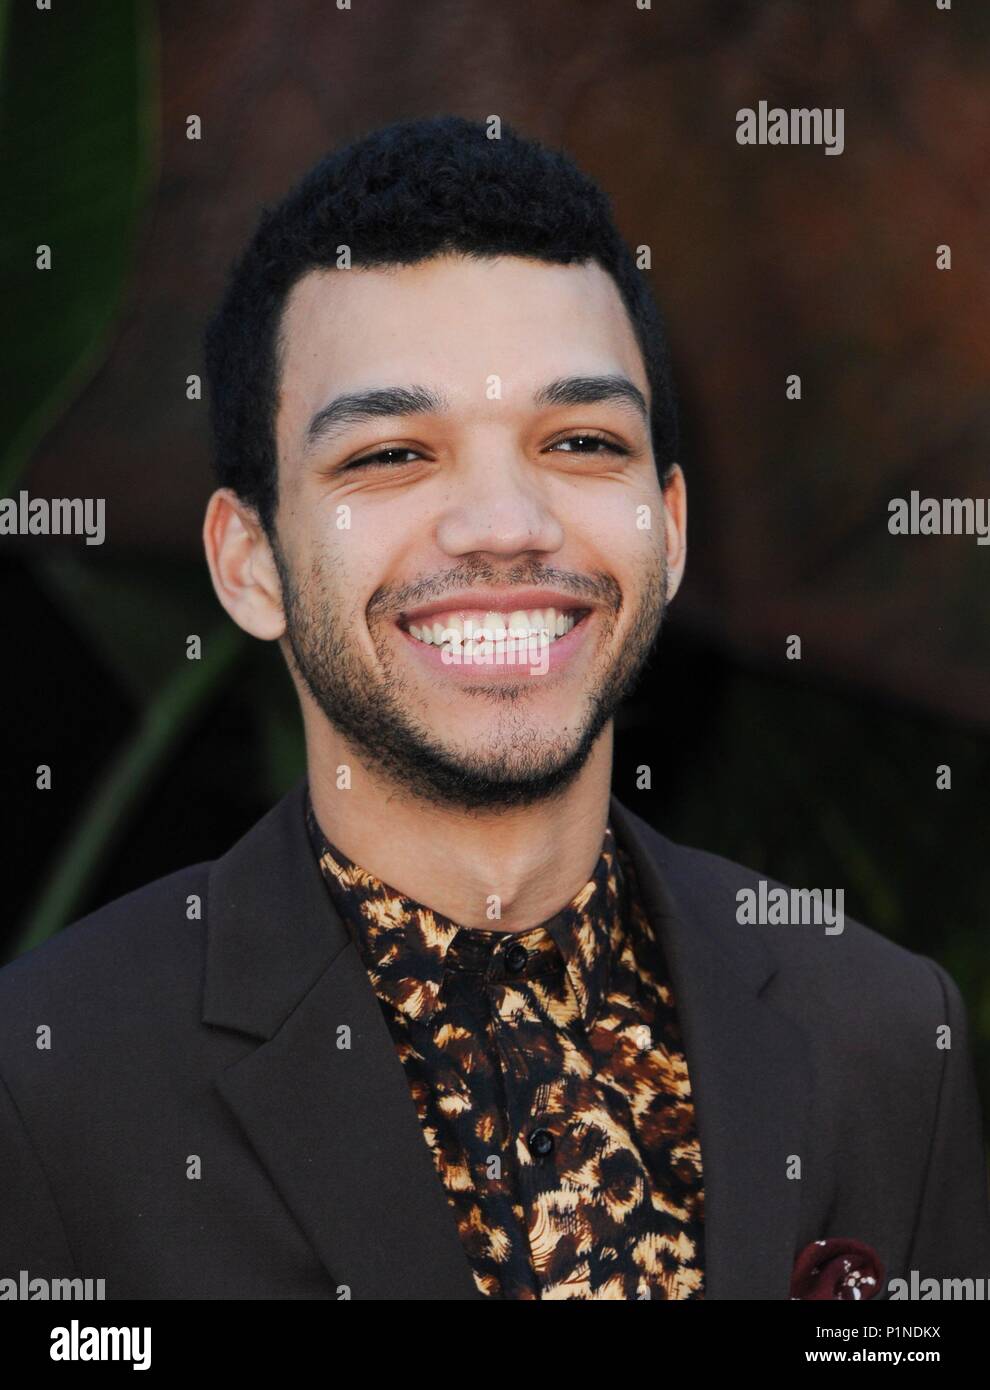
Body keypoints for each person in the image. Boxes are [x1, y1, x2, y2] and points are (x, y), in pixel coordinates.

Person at [1, 116, 987, 1301]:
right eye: (390, 455)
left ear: (668, 532)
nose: (505, 523)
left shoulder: (881, 1033)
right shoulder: (53, 1073)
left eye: (578, 440)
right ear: (250, 562)